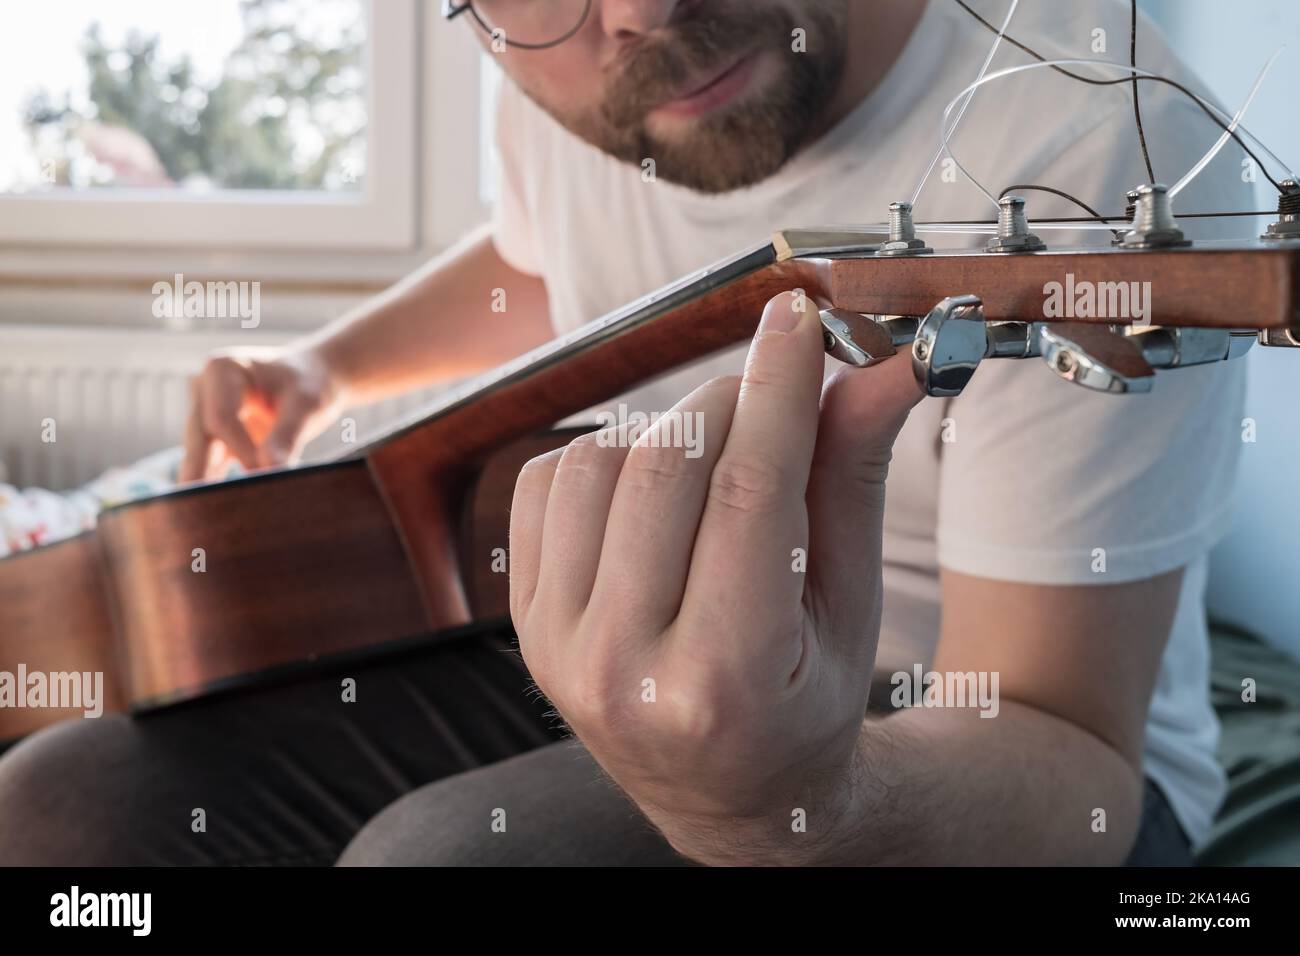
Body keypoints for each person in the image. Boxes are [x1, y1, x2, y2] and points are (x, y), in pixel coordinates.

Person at [0, 0, 1253, 865]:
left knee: (434, 859)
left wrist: (796, 803)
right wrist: (325, 365)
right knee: (56, 802)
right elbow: (535, 260)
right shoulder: (584, 83)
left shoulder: (1092, 133)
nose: (646, 11)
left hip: (1007, 735)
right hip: (647, 626)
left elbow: (1071, 747)